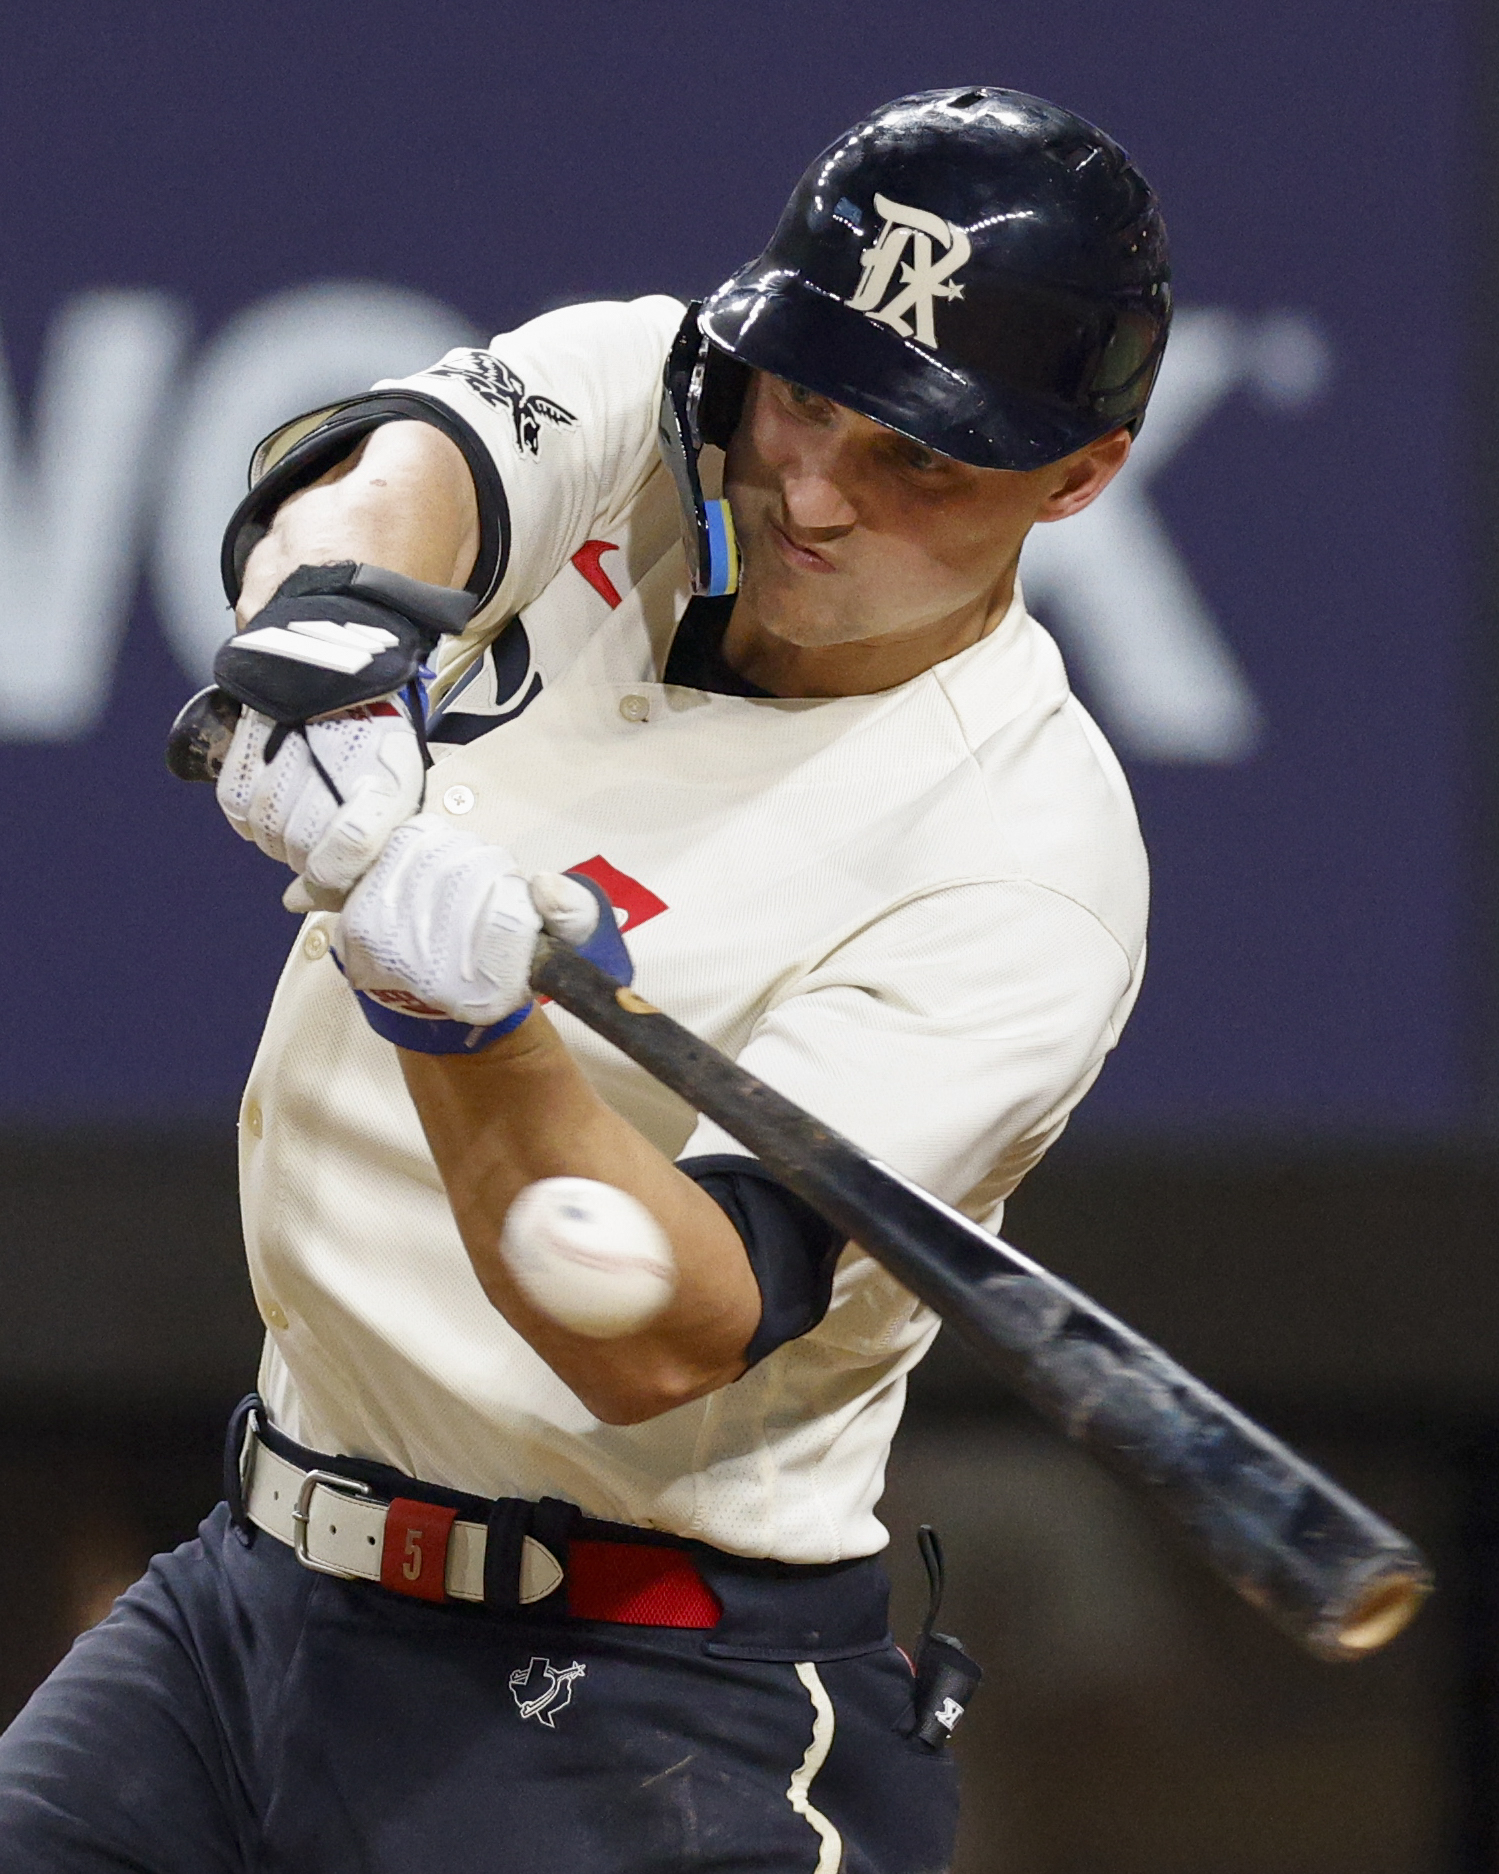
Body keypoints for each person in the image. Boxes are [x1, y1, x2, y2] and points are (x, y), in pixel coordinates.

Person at [0, 86, 1167, 1873]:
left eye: (917, 456)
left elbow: (656, 1325)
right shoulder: (654, 398)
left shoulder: (1025, 860)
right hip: (242, 1607)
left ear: (1077, 477)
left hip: (629, 1702)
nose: (810, 489)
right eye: (807, 398)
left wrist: (464, 1020)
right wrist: (334, 649)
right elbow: (391, 479)